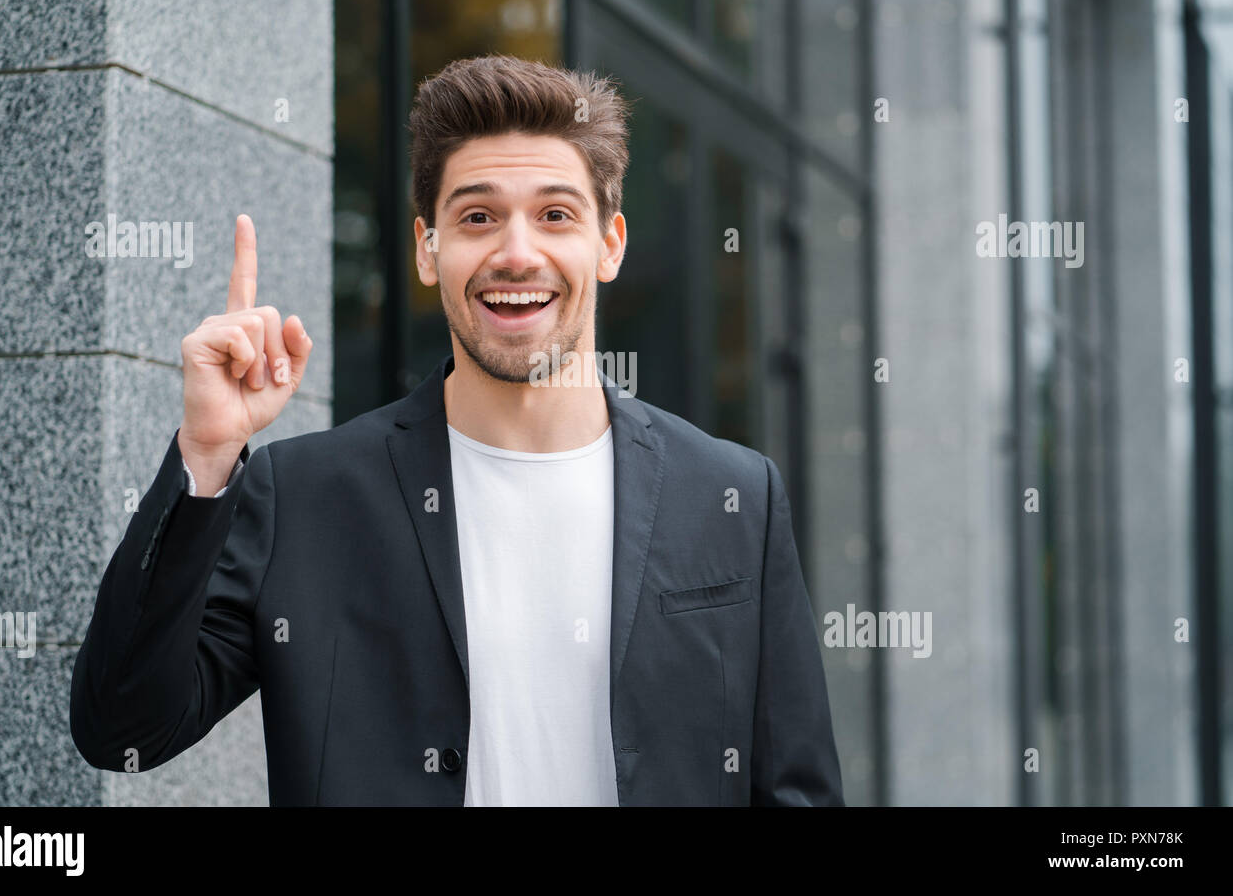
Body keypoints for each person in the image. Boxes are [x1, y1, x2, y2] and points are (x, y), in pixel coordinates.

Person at [69, 54, 843, 806]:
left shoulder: (731, 497)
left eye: (555, 215)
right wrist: (206, 458)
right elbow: (122, 729)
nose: (515, 252)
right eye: (477, 216)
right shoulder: (303, 497)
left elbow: (795, 789)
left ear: (607, 246)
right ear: (427, 250)